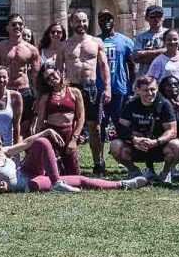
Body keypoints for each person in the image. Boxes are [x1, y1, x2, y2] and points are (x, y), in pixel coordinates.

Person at [0, 130, 143, 194]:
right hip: (27, 183)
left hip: (26, 170)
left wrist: (46, 131)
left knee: (42, 142)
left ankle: (57, 182)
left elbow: (26, 143)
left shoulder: (4, 152)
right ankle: (123, 184)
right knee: (80, 180)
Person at [59, 11, 111, 175]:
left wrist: (108, 87)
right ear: (71, 23)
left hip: (91, 88)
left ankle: (97, 162)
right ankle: (71, 164)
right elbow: (60, 70)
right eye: (77, 21)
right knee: (70, 127)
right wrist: (62, 90)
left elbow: (104, 66)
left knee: (94, 127)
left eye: (83, 21)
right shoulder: (65, 45)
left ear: (87, 22)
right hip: (72, 88)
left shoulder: (96, 42)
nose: (80, 24)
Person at [109, 74, 179, 183]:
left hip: (159, 146)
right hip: (137, 145)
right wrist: (133, 139)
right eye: (145, 90)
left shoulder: (164, 104)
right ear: (137, 90)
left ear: (157, 88)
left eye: (153, 89)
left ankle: (166, 173)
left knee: (177, 145)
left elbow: (172, 131)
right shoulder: (131, 104)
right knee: (115, 145)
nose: (150, 93)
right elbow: (121, 128)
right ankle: (134, 172)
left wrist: (156, 142)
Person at [31, 62, 86, 177]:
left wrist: (74, 139)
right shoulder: (46, 97)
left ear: (59, 72)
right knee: (53, 173)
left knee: (74, 174)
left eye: (52, 74)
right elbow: (40, 122)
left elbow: (80, 117)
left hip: (69, 134)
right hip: (52, 134)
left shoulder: (75, 92)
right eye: (47, 78)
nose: (51, 78)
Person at [0, 13, 42, 123]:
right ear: (7, 27)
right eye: (14, 24)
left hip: (24, 90)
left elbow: (36, 76)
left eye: (20, 24)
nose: (17, 27)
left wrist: (38, 97)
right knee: (5, 124)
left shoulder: (31, 49)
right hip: (5, 91)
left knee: (25, 126)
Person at [96, 10, 135, 132]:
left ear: (114, 21)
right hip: (99, 88)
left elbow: (132, 65)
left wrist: (131, 86)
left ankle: (121, 147)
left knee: (120, 122)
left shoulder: (125, 41)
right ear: (98, 22)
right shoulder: (94, 41)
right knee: (99, 124)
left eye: (109, 19)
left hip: (119, 88)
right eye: (102, 19)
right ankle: (99, 149)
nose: (106, 22)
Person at [145, 29, 179, 97]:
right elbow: (150, 80)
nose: (172, 42)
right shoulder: (158, 61)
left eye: (175, 39)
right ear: (164, 42)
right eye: (169, 40)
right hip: (165, 98)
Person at [132, 5, 170, 72]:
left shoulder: (169, 34)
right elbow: (136, 57)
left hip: (163, 76)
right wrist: (159, 53)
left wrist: (145, 53)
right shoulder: (141, 37)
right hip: (146, 76)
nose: (156, 19)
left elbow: (169, 52)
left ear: (163, 17)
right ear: (146, 18)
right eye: (153, 17)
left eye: (159, 16)